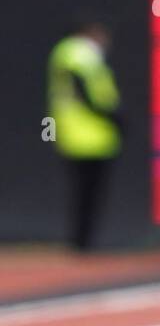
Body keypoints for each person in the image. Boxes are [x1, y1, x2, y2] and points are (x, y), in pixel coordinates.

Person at [47, 22, 122, 251]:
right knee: (87, 192)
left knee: (86, 192)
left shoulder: (76, 55)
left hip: (88, 135)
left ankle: (83, 242)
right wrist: (114, 118)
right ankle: (82, 243)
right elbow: (88, 94)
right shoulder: (79, 55)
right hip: (88, 136)